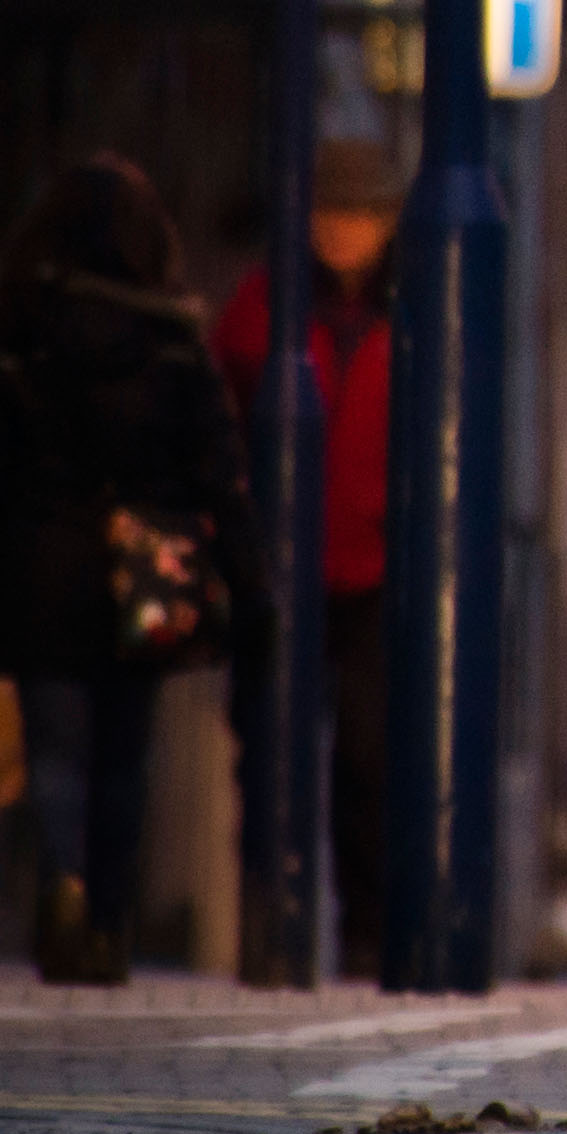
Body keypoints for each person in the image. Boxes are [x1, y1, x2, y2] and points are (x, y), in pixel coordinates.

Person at [0, 157, 254, 986]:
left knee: (55, 752)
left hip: (40, 565)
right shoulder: (172, 339)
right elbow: (218, 468)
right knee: (124, 757)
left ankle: (64, 884)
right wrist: (247, 581)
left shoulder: (18, 328)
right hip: (142, 576)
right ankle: (110, 922)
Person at [207, 134, 403, 974]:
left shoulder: (418, 306)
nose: (343, 230)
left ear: (389, 222)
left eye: (360, 214)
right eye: (330, 212)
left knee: (367, 761)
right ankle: (271, 927)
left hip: (373, 573)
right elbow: (219, 410)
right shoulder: (264, 306)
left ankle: (363, 934)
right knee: (269, 755)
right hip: (279, 570)